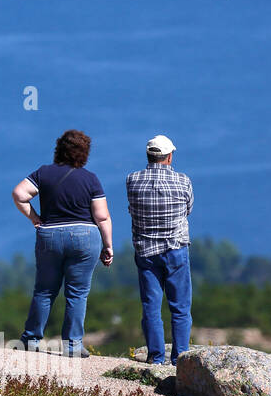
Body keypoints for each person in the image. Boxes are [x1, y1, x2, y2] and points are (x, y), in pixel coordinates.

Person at [12, 129, 114, 357]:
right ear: (84, 153)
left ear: (59, 149)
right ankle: (73, 346)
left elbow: (19, 194)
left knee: (44, 290)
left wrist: (34, 217)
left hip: (50, 235)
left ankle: (30, 338)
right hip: (85, 238)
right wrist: (108, 245)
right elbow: (102, 216)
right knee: (77, 293)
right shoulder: (91, 179)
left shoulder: (44, 173)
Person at [125, 135, 194, 365]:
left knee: (151, 307)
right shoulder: (183, 181)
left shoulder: (132, 180)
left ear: (149, 156)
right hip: (175, 250)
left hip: (145, 251)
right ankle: (180, 358)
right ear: (169, 157)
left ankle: (156, 357)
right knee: (180, 308)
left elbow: (131, 209)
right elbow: (188, 209)